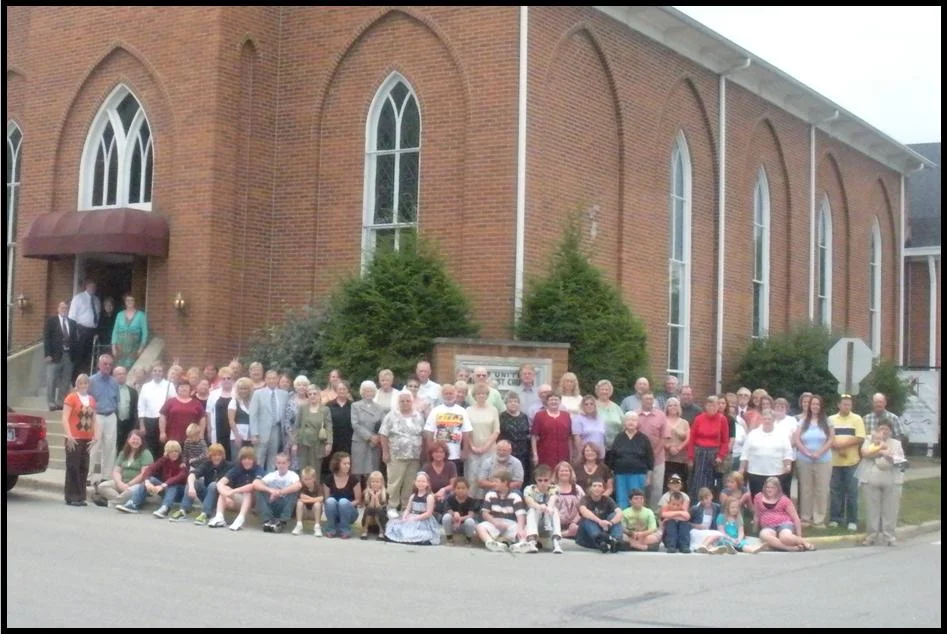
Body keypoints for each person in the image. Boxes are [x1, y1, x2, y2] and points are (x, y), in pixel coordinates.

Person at [857, 420, 906, 546]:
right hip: (870, 479)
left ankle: (889, 536)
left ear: (890, 431)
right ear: (877, 430)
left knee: (890, 510)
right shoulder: (869, 440)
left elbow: (900, 461)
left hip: (891, 480)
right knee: (872, 509)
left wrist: (887, 453)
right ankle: (871, 536)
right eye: (881, 428)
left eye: (886, 429)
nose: (883, 431)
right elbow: (865, 453)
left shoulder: (896, 443)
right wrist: (882, 451)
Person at [379, 390, 425, 514]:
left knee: (410, 483)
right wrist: (385, 452)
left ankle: (406, 506)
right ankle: (392, 506)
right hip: (396, 456)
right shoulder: (391, 415)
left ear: (412, 402)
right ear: (398, 402)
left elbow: (423, 434)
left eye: (408, 400)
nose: (405, 403)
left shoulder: (418, 416)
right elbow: (383, 434)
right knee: (394, 482)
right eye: (402, 401)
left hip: (414, 456)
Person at [115, 440, 188, 517]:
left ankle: (165, 508)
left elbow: (180, 476)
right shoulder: (164, 459)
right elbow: (150, 469)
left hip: (179, 492)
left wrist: (163, 485)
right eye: (171, 451)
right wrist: (147, 482)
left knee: (173, 485)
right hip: (164, 488)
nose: (174, 453)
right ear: (167, 452)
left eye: (176, 451)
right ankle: (133, 503)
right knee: (151, 479)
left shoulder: (183, 461)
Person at [793, 394, 834, 527]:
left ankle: (819, 519)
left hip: (823, 460)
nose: (815, 406)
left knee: (821, 489)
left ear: (821, 406)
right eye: (813, 404)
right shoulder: (802, 421)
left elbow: (831, 439)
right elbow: (797, 439)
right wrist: (806, 451)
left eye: (817, 404)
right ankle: (806, 518)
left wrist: (819, 452)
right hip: (804, 460)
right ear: (809, 406)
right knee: (806, 489)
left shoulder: (827, 421)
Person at [828, 394, 866, 531]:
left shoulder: (857, 419)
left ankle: (852, 520)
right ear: (838, 405)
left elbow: (860, 437)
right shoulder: (831, 419)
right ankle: (835, 518)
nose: (846, 406)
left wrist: (842, 446)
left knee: (851, 491)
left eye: (849, 404)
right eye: (844, 404)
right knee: (835, 491)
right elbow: (828, 437)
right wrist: (837, 447)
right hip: (834, 462)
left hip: (852, 461)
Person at [740, 409, 794, 499]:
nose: (767, 421)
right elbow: (745, 453)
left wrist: (788, 465)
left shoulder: (782, 434)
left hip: (776, 473)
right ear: (762, 419)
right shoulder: (753, 434)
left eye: (770, 419)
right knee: (757, 498)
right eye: (765, 419)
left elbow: (787, 452)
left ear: (774, 420)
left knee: (774, 499)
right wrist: (742, 469)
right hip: (755, 473)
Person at [207, 446, 264, 531]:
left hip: (253, 502)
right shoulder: (237, 468)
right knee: (225, 488)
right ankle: (219, 517)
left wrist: (233, 492)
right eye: (244, 459)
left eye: (250, 459)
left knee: (247, 492)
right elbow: (220, 483)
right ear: (241, 460)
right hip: (237, 500)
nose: (247, 461)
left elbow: (253, 486)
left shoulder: (258, 469)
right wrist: (225, 494)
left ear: (254, 460)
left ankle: (240, 519)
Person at [62, 374, 98, 506]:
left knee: (84, 466)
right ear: (77, 384)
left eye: (86, 383)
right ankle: (72, 495)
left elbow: (94, 419)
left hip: (86, 438)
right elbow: (65, 417)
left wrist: (95, 435)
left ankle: (81, 495)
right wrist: (69, 435)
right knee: (73, 466)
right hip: (74, 437)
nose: (83, 386)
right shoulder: (71, 398)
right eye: (81, 383)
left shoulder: (92, 400)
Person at [753, 476, 815, 552]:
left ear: (777, 489)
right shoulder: (758, 497)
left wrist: (799, 535)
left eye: (773, 488)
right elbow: (756, 515)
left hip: (784, 524)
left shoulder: (784, 500)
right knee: (764, 535)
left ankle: (804, 543)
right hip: (768, 526)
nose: (769, 490)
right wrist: (754, 531)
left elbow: (795, 517)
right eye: (767, 487)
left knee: (785, 538)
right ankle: (789, 548)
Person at [423, 383, 471, 477]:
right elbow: (429, 433)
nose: (448, 396)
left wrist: (465, 450)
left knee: (454, 480)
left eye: (451, 393)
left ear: (455, 394)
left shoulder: (462, 411)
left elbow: (466, 432)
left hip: (455, 454)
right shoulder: (435, 411)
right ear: (442, 395)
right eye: (446, 393)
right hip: (438, 454)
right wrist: (430, 450)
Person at [607, 411, 654, 509]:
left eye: (634, 420)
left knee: (637, 498)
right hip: (621, 474)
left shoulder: (643, 438)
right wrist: (611, 472)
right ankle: (622, 519)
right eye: (628, 420)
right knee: (622, 499)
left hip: (638, 474)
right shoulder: (619, 437)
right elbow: (612, 456)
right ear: (624, 422)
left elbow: (650, 457)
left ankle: (638, 520)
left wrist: (649, 476)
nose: (631, 422)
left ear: (637, 423)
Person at [475, 471, 530, 553]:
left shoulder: (515, 496)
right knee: (479, 527)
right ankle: (490, 542)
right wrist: (495, 522)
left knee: (525, 528)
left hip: (510, 523)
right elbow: (485, 513)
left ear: (505, 482)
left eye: (496, 482)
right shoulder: (490, 494)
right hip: (495, 522)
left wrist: (520, 528)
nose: (493, 484)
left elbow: (520, 514)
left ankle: (521, 544)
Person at [95, 429, 152, 507]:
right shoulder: (123, 453)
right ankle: (124, 501)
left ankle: (110, 503)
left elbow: (143, 474)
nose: (135, 441)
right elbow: (116, 471)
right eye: (133, 439)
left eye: (138, 439)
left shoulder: (146, 454)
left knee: (130, 491)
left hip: (137, 485)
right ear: (128, 440)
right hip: (123, 482)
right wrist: (119, 483)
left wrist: (129, 484)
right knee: (102, 486)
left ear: (142, 442)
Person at [687, 396, 729, 496]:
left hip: (714, 455)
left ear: (718, 406)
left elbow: (725, 440)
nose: (712, 408)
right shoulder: (698, 419)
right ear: (705, 406)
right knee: (698, 481)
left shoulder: (722, 419)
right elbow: (691, 439)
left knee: (713, 482)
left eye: (714, 405)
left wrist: (720, 456)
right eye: (709, 405)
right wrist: (690, 457)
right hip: (700, 454)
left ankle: (711, 505)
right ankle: (696, 505)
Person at [384, 471, 441, 545]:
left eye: (423, 481)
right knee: (397, 525)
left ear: (427, 483)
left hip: (423, 519)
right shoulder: (413, 496)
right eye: (419, 481)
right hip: (412, 516)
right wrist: (404, 517)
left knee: (421, 533)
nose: (421, 483)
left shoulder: (429, 497)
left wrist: (416, 518)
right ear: (415, 483)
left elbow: (428, 513)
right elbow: (408, 509)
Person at [88, 354, 119, 487]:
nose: (107, 366)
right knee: (94, 447)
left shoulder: (114, 381)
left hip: (111, 416)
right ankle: (90, 477)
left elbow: (117, 399)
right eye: (105, 364)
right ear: (99, 365)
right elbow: (87, 399)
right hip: (97, 416)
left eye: (110, 364)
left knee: (110, 448)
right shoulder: (91, 381)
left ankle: (105, 477)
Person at [636, 392, 672, 509]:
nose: (649, 401)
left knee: (656, 487)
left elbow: (665, 437)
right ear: (641, 400)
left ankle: (654, 514)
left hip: (658, 458)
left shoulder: (661, 415)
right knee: (641, 487)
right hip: (639, 459)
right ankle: (640, 512)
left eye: (651, 399)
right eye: (646, 399)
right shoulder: (635, 414)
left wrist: (654, 453)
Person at [465, 382, 501, 498]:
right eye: (478, 394)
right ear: (474, 396)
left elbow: (496, 431)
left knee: (487, 477)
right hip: (472, 450)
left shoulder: (493, 410)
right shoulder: (468, 410)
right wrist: (472, 446)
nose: (481, 396)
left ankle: (486, 504)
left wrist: (486, 446)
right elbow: (466, 430)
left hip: (489, 449)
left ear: (487, 395)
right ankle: (470, 504)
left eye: (484, 394)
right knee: (472, 477)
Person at [181, 443, 231, 525]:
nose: (217, 457)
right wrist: (191, 488)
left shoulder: (229, 466)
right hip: (207, 496)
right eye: (214, 455)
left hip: (221, 498)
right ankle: (183, 510)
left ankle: (205, 514)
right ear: (210, 456)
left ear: (223, 455)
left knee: (214, 484)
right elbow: (192, 474)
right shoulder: (207, 464)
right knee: (195, 481)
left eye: (219, 455)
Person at [250, 370, 289, 471]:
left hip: (276, 429)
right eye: (269, 378)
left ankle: (270, 480)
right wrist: (254, 433)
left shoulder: (284, 394)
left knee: (273, 457)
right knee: (259, 457)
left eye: (274, 378)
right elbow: (253, 415)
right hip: (261, 431)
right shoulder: (258, 394)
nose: (272, 380)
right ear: (265, 380)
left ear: (277, 379)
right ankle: (258, 480)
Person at [252, 452, 301, 533]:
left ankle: (282, 522)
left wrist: (280, 492)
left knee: (293, 492)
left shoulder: (293, 475)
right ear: (275, 464)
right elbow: (255, 483)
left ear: (288, 463)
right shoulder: (272, 475)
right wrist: (270, 491)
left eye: (283, 463)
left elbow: (298, 485)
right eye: (278, 463)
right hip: (272, 503)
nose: (281, 465)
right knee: (259, 491)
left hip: (285, 505)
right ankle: (267, 521)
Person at [522, 464, 564, 554]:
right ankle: (532, 541)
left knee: (554, 510)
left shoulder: (554, 488)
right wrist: (539, 506)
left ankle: (556, 541)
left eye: (546, 480)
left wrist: (549, 507)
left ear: (551, 479)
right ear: (535, 479)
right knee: (533, 510)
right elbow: (529, 501)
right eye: (539, 480)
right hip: (535, 523)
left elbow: (553, 498)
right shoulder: (529, 489)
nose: (543, 483)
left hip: (548, 524)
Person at [43, 301, 77, 411]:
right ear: (58, 309)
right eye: (62, 308)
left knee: (65, 380)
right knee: (51, 379)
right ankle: (51, 402)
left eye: (66, 308)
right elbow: (46, 338)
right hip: (54, 355)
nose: (64, 310)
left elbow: (75, 340)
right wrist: (47, 354)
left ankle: (60, 402)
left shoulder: (72, 323)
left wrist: (74, 356)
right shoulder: (51, 321)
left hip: (68, 355)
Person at [351, 380, 385, 486]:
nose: (369, 393)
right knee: (357, 471)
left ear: (374, 392)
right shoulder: (355, 406)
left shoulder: (380, 408)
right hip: (360, 441)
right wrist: (369, 436)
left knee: (372, 471)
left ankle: (372, 495)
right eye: (366, 391)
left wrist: (377, 437)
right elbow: (355, 424)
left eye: (371, 391)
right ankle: (358, 496)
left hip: (374, 444)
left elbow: (383, 425)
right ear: (362, 392)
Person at [576, 478, 623, 553]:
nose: (597, 488)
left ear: (603, 489)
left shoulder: (608, 499)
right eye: (594, 486)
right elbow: (583, 511)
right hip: (589, 537)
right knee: (587, 518)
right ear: (590, 488)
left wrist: (611, 523)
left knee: (614, 515)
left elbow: (620, 513)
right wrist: (599, 521)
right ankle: (601, 541)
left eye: (599, 486)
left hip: (605, 531)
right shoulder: (585, 499)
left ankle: (615, 541)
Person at [294, 383, 332, 474]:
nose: (312, 396)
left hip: (318, 443)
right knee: (303, 469)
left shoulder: (325, 410)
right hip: (303, 443)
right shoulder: (302, 408)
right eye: (310, 394)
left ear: (319, 395)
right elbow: (297, 426)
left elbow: (329, 427)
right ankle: (303, 488)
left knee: (315, 469)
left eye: (315, 394)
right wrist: (295, 443)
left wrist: (329, 443)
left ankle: (315, 488)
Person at [68, 278, 101, 381]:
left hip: (92, 331)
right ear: (86, 286)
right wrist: (74, 333)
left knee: (89, 357)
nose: (93, 288)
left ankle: (86, 379)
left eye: (94, 286)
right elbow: (72, 317)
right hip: (81, 330)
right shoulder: (78, 298)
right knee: (79, 357)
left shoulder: (97, 300)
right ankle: (74, 381)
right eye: (91, 286)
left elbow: (97, 316)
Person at [323, 451, 361, 539]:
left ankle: (345, 530)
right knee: (330, 501)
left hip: (349, 512)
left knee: (343, 502)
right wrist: (337, 507)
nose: (348, 466)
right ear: (337, 464)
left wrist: (345, 505)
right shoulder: (329, 479)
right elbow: (326, 499)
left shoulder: (353, 479)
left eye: (349, 463)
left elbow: (358, 500)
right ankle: (331, 529)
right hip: (334, 511)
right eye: (344, 464)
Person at [498, 392, 532, 488]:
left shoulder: (524, 416)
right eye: (510, 401)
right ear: (506, 403)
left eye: (515, 401)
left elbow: (527, 434)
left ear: (519, 403)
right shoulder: (501, 417)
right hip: (507, 453)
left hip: (523, 453)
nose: (513, 403)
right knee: (507, 478)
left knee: (522, 477)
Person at [137, 362, 171, 459]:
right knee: (149, 446)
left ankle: (161, 472)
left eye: (160, 371)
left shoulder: (169, 385)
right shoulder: (146, 386)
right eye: (155, 370)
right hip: (149, 421)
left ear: (163, 373)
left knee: (162, 446)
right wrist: (142, 424)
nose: (157, 373)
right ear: (151, 372)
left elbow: (173, 403)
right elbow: (141, 406)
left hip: (164, 420)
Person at [531, 393, 573, 471]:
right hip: (545, 452)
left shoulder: (566, 415)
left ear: (560, 401)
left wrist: (571, 454)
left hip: (563, 453)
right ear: (547, 402)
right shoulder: (539, 415)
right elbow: (534, 436)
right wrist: (535, 454)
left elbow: (569, 437)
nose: (554, 402)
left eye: (556, 400)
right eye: (551, 400)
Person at [159, 381, 206, 446]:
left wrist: (201, 434)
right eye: (181, 387)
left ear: (190, 390)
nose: (184, 389)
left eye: (186, 387)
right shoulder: (170, 401)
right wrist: (162, 432)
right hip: (172, 438)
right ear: (177, 389)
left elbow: (202, 419)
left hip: (192, 438)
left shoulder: (196, 403)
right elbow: (162, 417)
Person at [110, 294, 148, 369]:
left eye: (132, 300)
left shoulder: (141, 315)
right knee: (119, 368)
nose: (130, 302)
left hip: (134, 347)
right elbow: (115, 331)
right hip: (120, 347)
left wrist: (141, 347)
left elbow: (145, 333)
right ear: (125, 302)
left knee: (129, 367)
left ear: (134, 302)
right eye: (128, 300)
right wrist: (113, 347)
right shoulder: (119, 315)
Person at [281, 376, 310, 470]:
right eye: (299, 385)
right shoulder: (290, 401)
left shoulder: (310, 401)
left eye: (304, 385)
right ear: (295, 387)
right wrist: (293, 440)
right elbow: (286, 421)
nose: (302, 387)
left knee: (305, 464)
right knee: (292, 463)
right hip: (291, 437)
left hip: (307, 437)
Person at [421, 440, 458, 516]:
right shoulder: (426, 466)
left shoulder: (451, 465)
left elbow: (453, 485)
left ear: (445, 454)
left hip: (447, 495)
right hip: (430, 496)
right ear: (431, 454)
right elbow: (422, 485)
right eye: (436, 452)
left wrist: (443, 490)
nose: (439, 454)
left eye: (441, 452)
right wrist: (433, 496)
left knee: (452, 495)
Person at [663, 397, 690, 492]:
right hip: (666, 457)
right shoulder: (663, 420)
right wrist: (669, 447)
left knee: (680, 481)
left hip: (681, 458)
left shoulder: (684, 422)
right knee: (666, 480)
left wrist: (679, 448)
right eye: (670, 405)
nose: (672, 407)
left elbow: (688, 438)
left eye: (675, 405)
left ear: (679, 407)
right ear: (666, 408)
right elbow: (659, 437)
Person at [551, 461, 584, 538]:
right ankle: (562, 534)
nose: (564, 473)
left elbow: (583, 508)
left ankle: (563, 534)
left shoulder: (577, 489)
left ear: (570, 473)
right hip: (556, 522)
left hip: (574, 523)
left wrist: (574, 522)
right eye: (561, 471)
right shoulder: (552, 488)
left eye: (566, 471)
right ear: (557, 473)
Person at [206, 367, 234, 454]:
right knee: (218, 454)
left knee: (232, 454)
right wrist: (209, 430)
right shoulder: (213, 394)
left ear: (232, 379)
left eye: (228, 378)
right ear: (220, 380)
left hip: (233, 430)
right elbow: (209, 413)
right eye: (223, 378)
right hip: (218, 430)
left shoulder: (237, 394)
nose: (226, 380)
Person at [689, 487, 726, 553]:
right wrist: (696, 525)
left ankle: (708, 547)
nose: (705, 501)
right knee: (715, 534)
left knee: (719, 534)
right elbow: (686, 523)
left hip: (709, 532)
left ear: (711, 496)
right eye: (702, 499)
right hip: (697, 532)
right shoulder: (695, 509)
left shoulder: (717, 507)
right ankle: (704, 546)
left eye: (706, 498)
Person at [442, 479, 479, 545]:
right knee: (446, 517)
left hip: (464, 526)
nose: (460, 490)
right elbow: (448, 510)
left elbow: (470, 515)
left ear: (468, 489)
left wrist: (460, 519)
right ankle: (449, 538)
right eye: (458, 488)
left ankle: (468, 539)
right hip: (453, 525)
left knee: (470, 521)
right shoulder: (450, 499)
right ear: (454, 489)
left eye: (463, 488)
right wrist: (454, 514)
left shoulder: (471, 501)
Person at [112, 366, 139, 455]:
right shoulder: (110, 390)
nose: (122, 376)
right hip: (114, 423)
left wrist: (135, 426)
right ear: (114, 376)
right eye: (119, 374)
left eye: (123, 374)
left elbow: (135, 410)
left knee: (126, 448)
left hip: (128, 424)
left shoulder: (133, 392)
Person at [292, 467, 325, 537]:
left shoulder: (318, 486)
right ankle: (299, 525)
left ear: (314, 478)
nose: (307, 481)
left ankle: (317, 526)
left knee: (317, 504)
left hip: (314, 513)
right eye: (305, 479)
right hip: (304, 512)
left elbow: (321, 498)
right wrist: (315, 499)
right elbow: (301, 497)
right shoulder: (301, 486)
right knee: (299, 503)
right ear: (302, 479)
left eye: (309, 479)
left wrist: (308, 499)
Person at [228, 377, 254, 461]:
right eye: (241, 389)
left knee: (250, 459)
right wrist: (237, 435)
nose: (243, 391)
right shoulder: (233, 402)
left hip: (251, 436)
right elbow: (231, 420)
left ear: (249, 389)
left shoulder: (253, 402)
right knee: (237, 460)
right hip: (237, 436)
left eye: (245, 388)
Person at [571, 394, 606, 459]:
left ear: (595, 405)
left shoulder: (600, 419)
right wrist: (581, 454)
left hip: (600, 455)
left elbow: (602, 438)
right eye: (586, 404)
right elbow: (577, 439)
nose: (589, 406)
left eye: (591, 404)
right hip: (586, 455)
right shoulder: (578, 419)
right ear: (582, 406)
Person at [361, 471, 389, 540]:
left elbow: (379, 507)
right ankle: (365, 530)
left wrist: (376, 497)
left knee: (378, 510)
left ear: (381, 483)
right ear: (369, 483)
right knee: (369, 509)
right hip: (369, 522)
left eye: (377, 482)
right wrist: (373, 496)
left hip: (381, 522)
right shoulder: (366, 492)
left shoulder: (385, 494)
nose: (375, 484)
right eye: (373, 482)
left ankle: (381, 532)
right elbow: (369, 507)